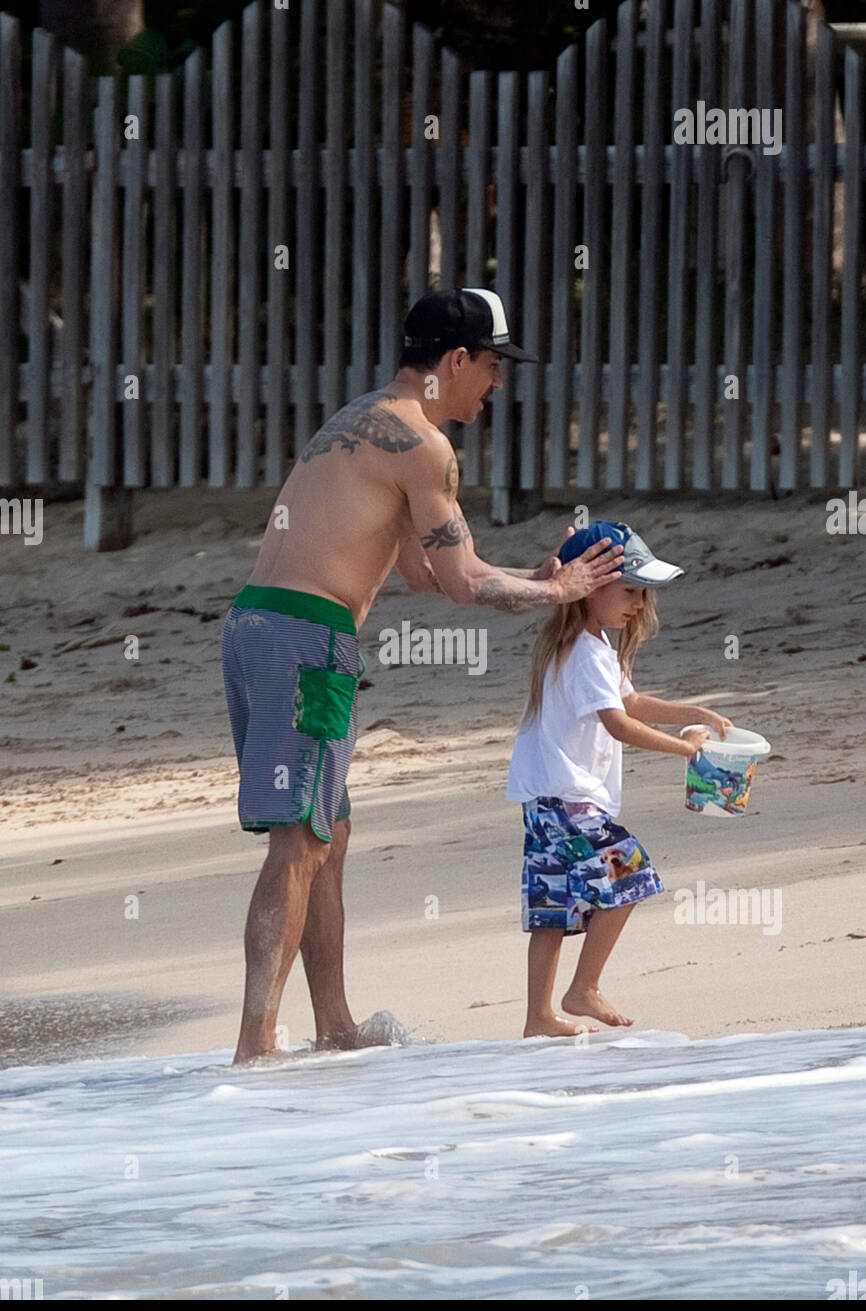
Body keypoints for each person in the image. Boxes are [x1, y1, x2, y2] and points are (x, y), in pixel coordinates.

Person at [221, 289, 626, 1064]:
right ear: (455, 360)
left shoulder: (362, 418)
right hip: (308, 639)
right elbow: (470, 588)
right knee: (300, 844)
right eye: (494, 365)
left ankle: (333, 1028)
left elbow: (430, 573)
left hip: (257, 627)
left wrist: (537, 575)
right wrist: (563, 592)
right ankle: (255, 1048)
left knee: (325, 836)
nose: (498, 382)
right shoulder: (424, 447)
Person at [505, 521, 733, 1039]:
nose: (639, 603)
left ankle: (539, 1017)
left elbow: (627, 702)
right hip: (570, 801)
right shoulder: (586, 652)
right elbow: (618, 724)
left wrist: (689, 712)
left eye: (643, 592)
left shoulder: (589, 645)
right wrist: (685, 749)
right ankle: (582, 988)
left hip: (545, 800)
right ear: (589, 586)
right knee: (631, 876)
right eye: (629, 589)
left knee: (553, 906)